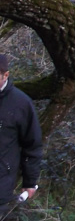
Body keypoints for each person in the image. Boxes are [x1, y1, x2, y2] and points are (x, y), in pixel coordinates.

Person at [0, 54, 43, 218]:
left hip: (3, 178)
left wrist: (30, 181)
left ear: (6, 75)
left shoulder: (21, 103)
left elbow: (32, 144)